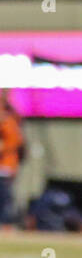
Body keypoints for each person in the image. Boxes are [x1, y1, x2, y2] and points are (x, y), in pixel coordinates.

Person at [0, 92, 26, 230]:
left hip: (5, 166)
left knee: (4, 196)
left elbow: (14, 142)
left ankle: (5, 224)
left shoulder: (9, 121)